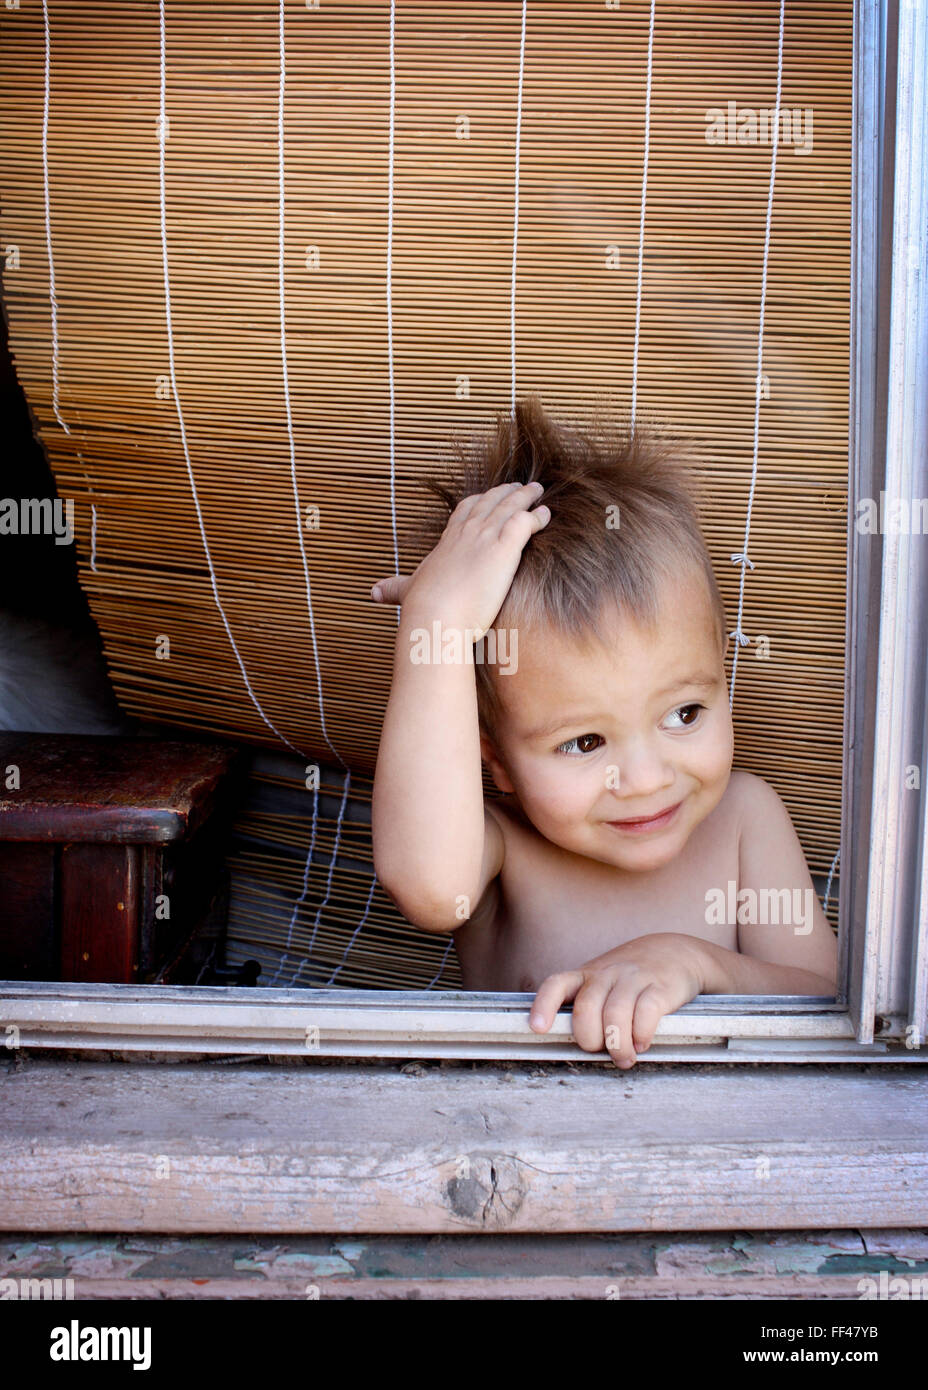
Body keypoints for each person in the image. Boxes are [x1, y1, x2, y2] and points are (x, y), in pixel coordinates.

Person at [370, 395, 838, 1069]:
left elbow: (825, 1002)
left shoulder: (745, 821)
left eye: (685, 714)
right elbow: (430, 888)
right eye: (584, 743)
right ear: (496, 761)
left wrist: (697, 964)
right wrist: (436, 627)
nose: (646, 779)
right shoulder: (503, 850)